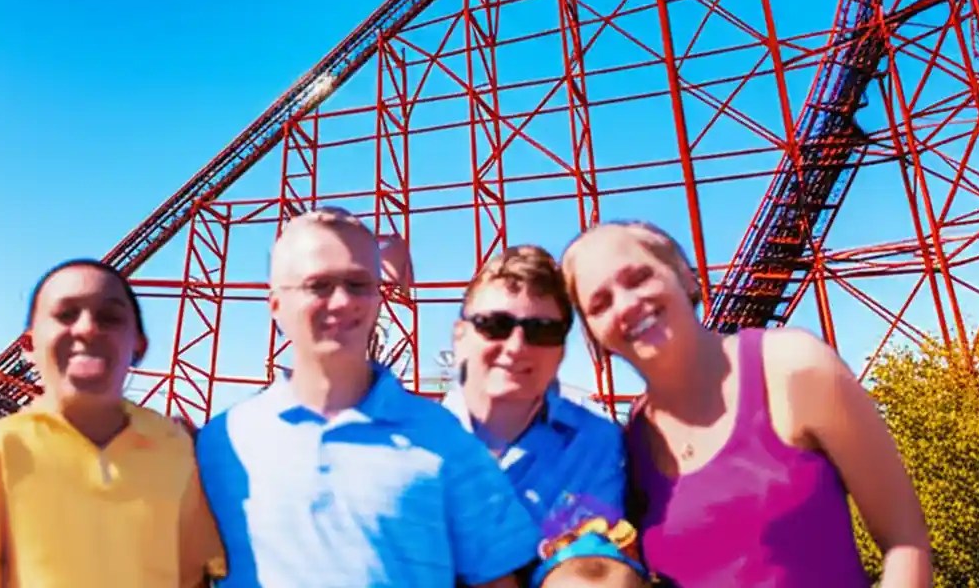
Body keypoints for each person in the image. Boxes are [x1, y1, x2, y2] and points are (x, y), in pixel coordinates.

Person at [560, 221, 931, 587]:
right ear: (594, 334)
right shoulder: (633, 440)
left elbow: (905, 540)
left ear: (686, 277)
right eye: (600, 303)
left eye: (639, 278)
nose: (625, 305)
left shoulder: (793, 367)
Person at [195, 207, 540, 587]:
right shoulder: (222, 441)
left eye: (358, 284)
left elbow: (497, 579)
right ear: (276, 304)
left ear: (378, 297)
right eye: (318, 285)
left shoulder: (446, 438)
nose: (342, 301)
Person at [0, 259, 226, 588]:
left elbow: (196, 574)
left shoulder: (174, 446)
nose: (87, 328)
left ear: (139, 344)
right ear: (29, 346)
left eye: (110, 317)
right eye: (65, 314)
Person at [442, 245, 649, 587]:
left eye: (542, 331)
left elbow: (594, 571)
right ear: (460, 336)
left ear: (561, 350)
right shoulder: (405, 443)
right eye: (495, 325)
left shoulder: (595, 443)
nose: (517, 346)